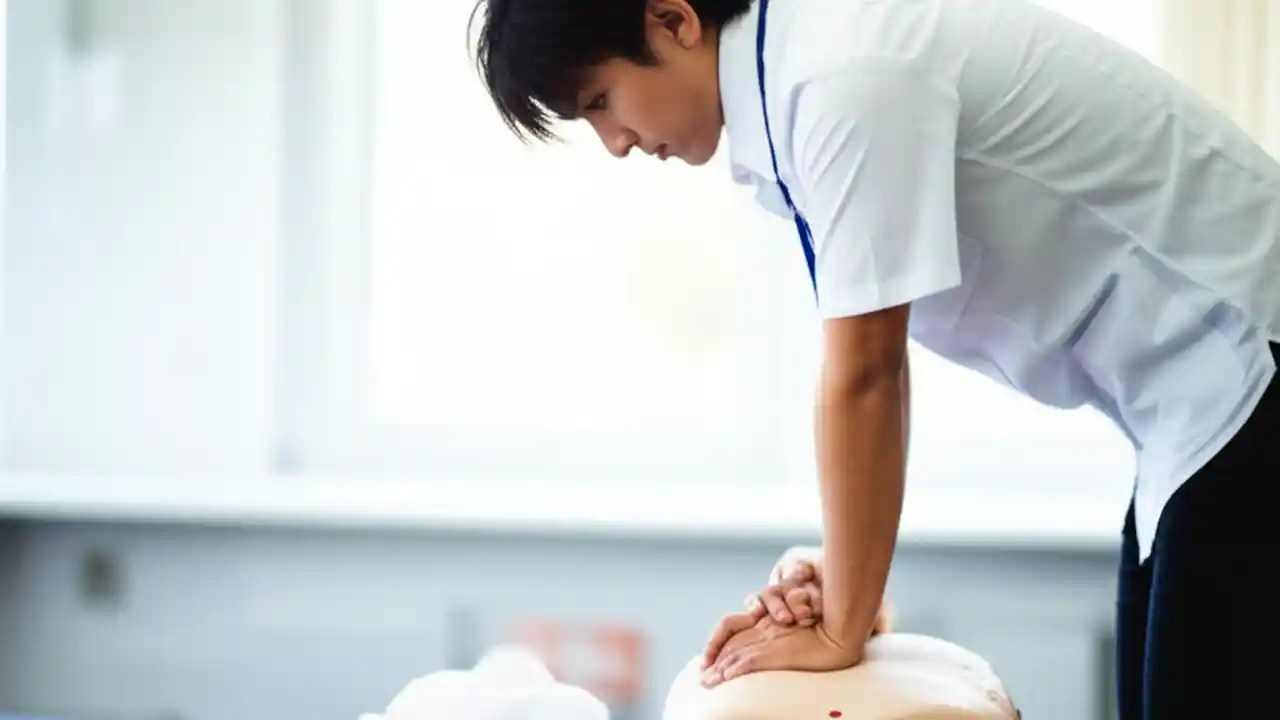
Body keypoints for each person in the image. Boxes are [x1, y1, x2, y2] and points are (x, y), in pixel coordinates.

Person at [470, 0, 1280, 716]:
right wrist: (846, 573)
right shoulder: (805, 75)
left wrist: (841, 625)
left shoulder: (842, 73)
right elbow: (866, 373)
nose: (612, 143)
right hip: (1195, 407)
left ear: (673, 19)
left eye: (601, 101)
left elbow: (867, 374)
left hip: (1248, 366)